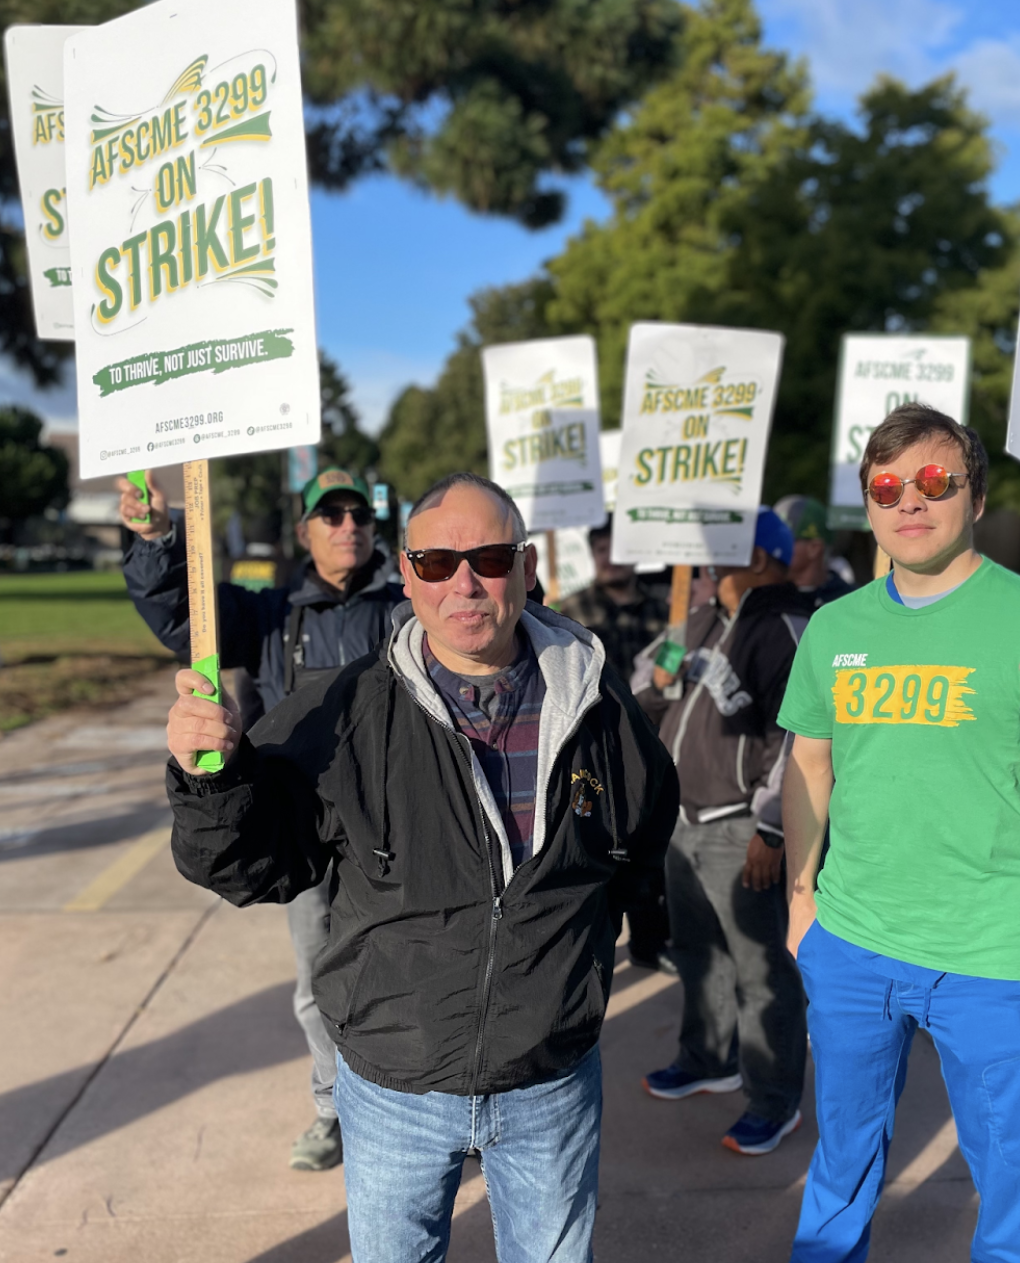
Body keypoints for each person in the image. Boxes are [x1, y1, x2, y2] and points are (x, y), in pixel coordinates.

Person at [162, 472, 678, 1262]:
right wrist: (211, 778)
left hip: (549, 1082)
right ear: (406, 574)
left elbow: (640, 835)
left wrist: (622, 937)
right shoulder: (344, 707)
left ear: (529, 565)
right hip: (392, 1087)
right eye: (437, 563)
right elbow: (247, 867)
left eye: (491, 558)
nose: (465, 582)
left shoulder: (596, 702)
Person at [779, 402, 1020, 1262]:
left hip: (988, 954)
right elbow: (809, 767)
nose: (909, 502)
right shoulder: (835, 627)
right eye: (886, 487)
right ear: (869, 504)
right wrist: (802, 901)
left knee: (1012, 1180)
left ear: (976, 495)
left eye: (934, 481)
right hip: (851, 941)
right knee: (842, 1159)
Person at [118, 465, 405, 1171]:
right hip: (302, 830)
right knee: (317, 986)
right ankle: (335, 1112)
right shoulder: (273, 613)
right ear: (305, 531)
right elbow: (184, 615)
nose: (348, 526)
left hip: (396, 829)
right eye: (330, 516)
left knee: (407, 971)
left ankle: (422, 1111)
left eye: (358, 516)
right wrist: (157, 538)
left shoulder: (408, 607)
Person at [635, 507, 812, 1157]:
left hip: (742, 826)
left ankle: (774, 1099)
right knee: (699, 953)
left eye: (722, 547)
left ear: (760, 555)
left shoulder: (789, 628)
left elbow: (796, 738)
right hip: (685, 817)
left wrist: (771, 828)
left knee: (761, 972)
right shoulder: (699, 616)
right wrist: (655, 678)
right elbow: (649, 687)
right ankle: (709, 1059)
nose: (707, 557)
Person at [559, 518, 673, 972]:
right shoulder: (574, 610)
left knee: (651, 844)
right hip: (598, 752)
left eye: (616, 547)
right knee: (599, 843)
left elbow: (676, 660)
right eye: (600, 548)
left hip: (657, 742)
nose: (609, 557)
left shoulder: (666, 608)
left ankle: (649, 941)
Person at [774, 496, 853, 604]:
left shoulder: (849, 602)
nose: (773, 548)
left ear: (814, 548)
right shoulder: (764, 598)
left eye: (784, 540)